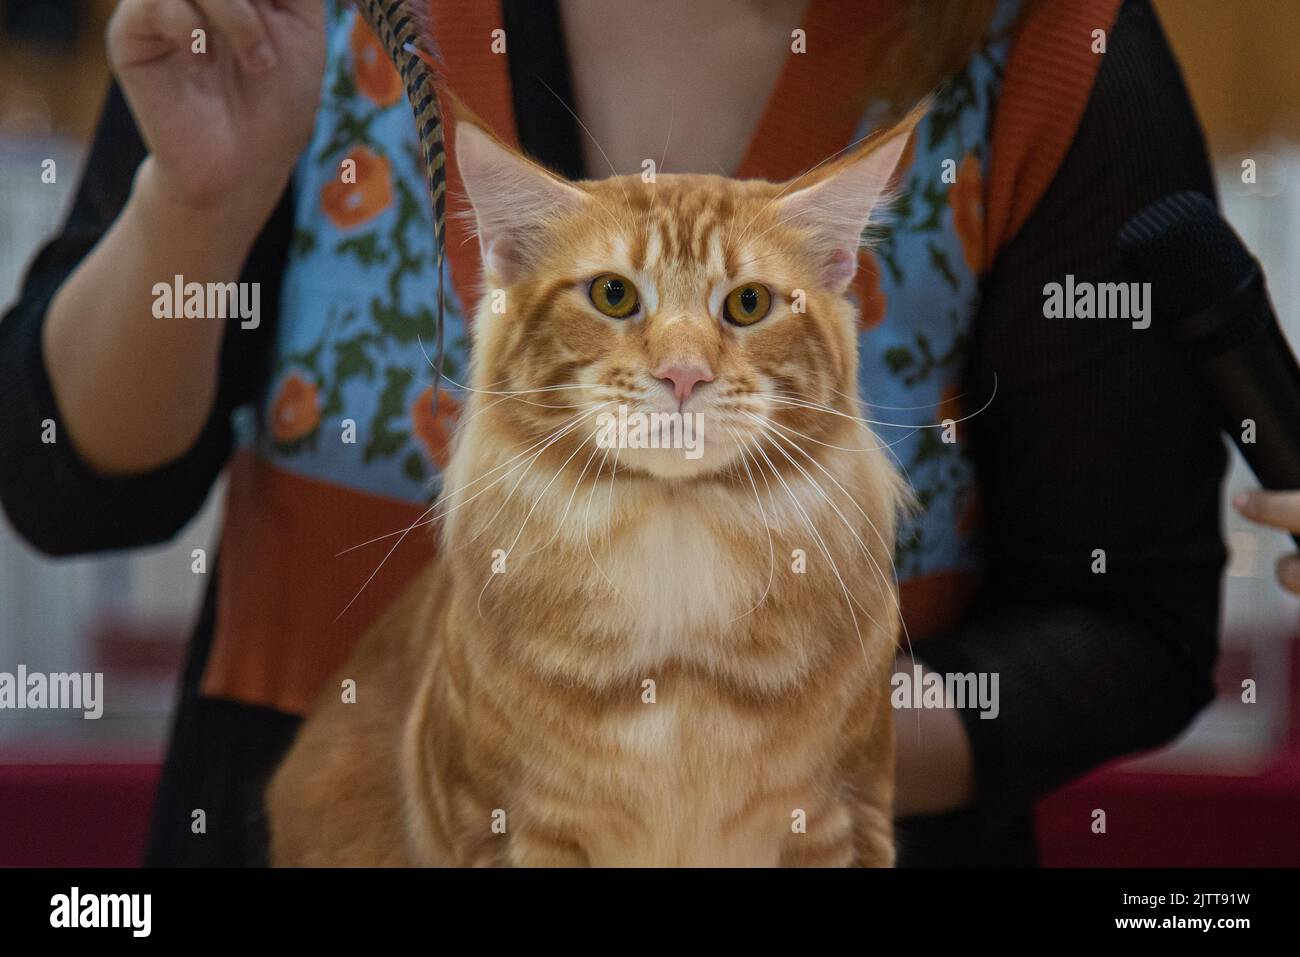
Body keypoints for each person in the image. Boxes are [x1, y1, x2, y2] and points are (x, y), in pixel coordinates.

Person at [0, 0, 1229, 866]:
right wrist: (196, 205)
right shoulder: (308, 9)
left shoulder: (1059, 44)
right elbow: (64, 491)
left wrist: (715, 759)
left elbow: (1133, 630)